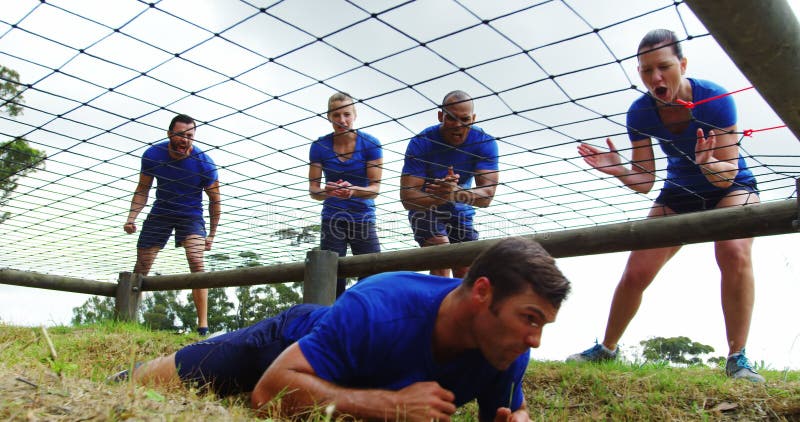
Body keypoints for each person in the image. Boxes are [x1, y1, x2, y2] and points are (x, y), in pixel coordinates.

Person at [116, 237, 571, 421]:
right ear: (483, 293)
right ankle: (117, 376)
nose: (535, 339)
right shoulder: (379, 307)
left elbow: (514, 410)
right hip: (287, 344)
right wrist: (390, 405)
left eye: (542, 324)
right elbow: (267, 395)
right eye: (529, 318)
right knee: (147, 384)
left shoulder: (509, 348)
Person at [570, 29, 763, 382]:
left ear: (682, 64)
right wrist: (617, 171)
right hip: (680, 191)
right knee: (637, 269)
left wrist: (708, 165)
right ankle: (606, 349)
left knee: (733, 251)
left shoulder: (717, 99)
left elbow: (727, 172)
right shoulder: (640, 112)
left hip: (731, 185)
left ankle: (738, 358)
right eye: (646, 71)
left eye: (663, 67)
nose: (655, 77)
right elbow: (644, 181)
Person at [123, 113, 221, 336]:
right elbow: (142, 189)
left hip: (191, 214)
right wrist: (132, 218)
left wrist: (211, 235)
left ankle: (202, 327)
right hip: (162, 211)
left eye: (189, 136)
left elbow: (215, 201)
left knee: (196, 260)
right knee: (143, 265)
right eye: (179, 135)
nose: (184, 140)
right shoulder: (152, 155)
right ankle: (128, 319)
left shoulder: (205, 163)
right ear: (170, 134)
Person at [400, 90, 499, 278]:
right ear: (440, 116)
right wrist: (440, 196)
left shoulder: (484, 142)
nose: (458, 125)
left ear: (473, 118)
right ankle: (439, 305)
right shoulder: (421, 142)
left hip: (460, 208)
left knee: (466, 269)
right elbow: (407, 198)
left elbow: (487, 197)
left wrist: (455, 193)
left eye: (464, 119)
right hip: (425, 207)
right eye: (451, 118)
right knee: (441, 252)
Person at [309, 92, 383, 297]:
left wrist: (354, 191)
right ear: (329, 117)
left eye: (346, 114)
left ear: (354, 114)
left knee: (372, 272)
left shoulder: (371, 144)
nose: (342, 120)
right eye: (336, 115)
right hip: (332, 217)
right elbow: (313, 190)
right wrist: (327, 191)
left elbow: (375, 189)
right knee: (331, 275)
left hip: (363, 217)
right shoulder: (319, 146)